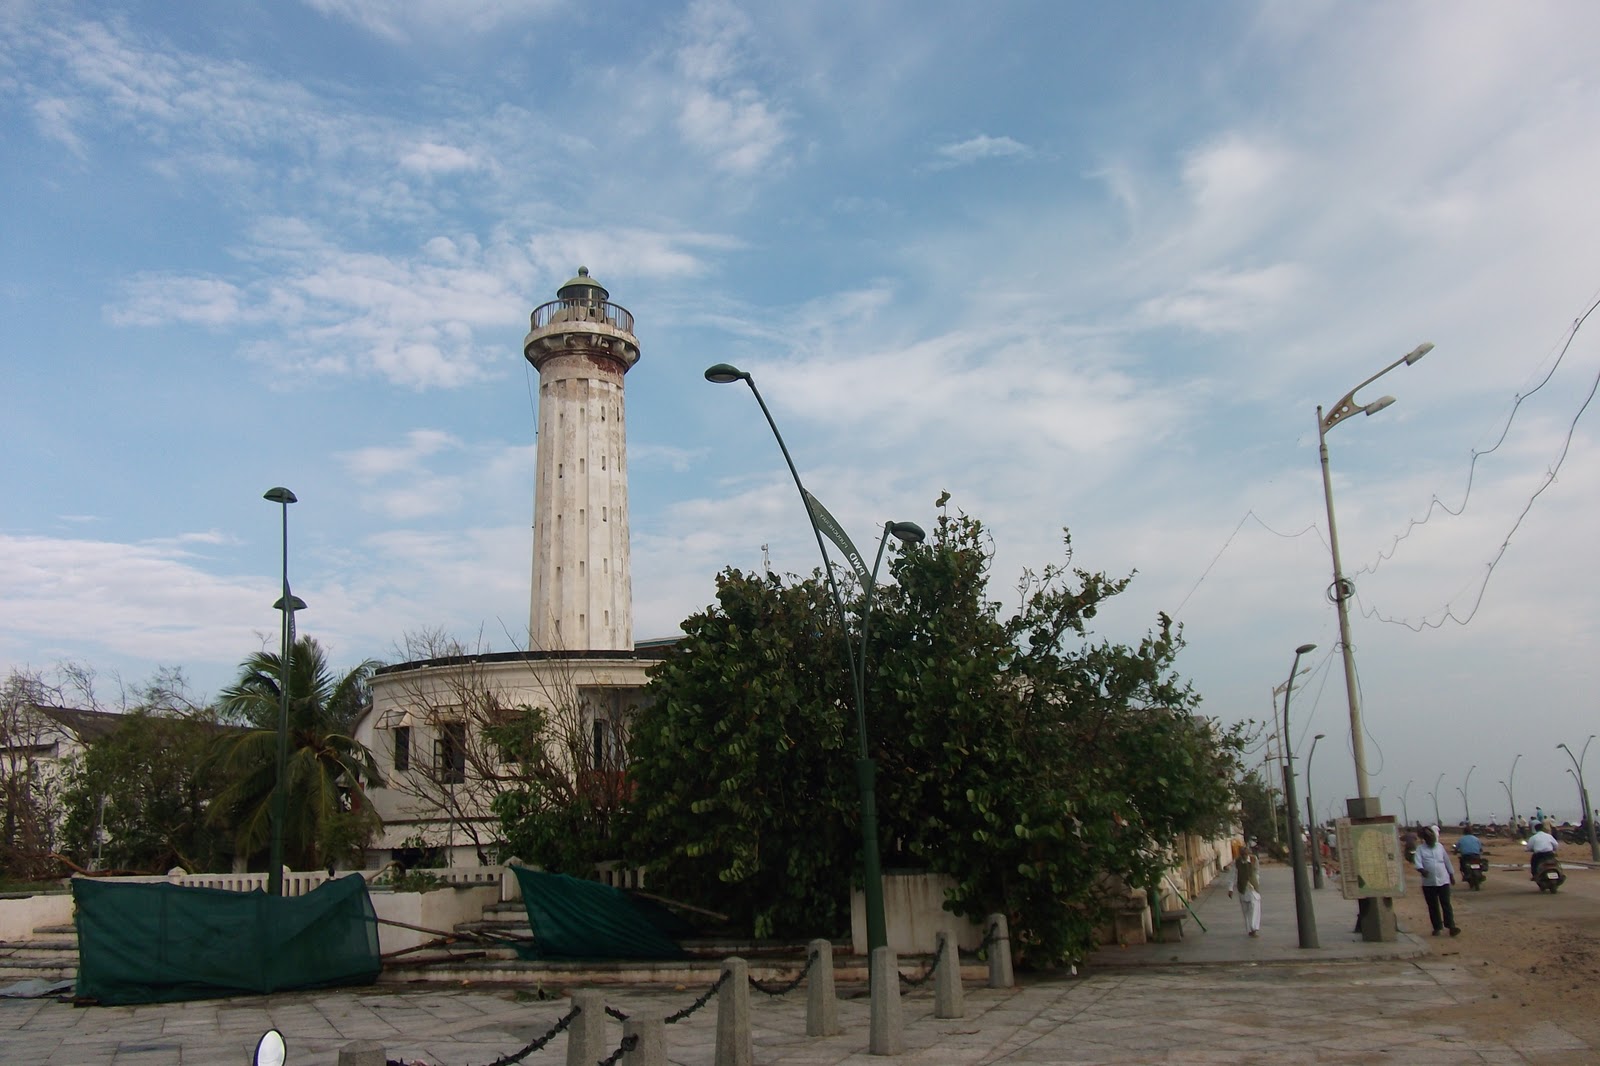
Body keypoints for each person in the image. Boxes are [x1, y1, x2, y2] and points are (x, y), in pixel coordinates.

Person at [1414, 826, 1460, 937]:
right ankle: (1437, 927)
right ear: (1425, 839)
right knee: (1433, 906)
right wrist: (1422, 870)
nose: (1431, 840)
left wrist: (1451, 875)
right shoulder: (1420, 849)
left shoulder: (1440, 847)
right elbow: (1418, 863)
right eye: (1429, 838)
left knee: (1446, 904)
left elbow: (1447, 861)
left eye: (1432, 838)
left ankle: (1451, 926)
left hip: (1443, 880)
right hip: (1429, 883)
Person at [1228, 845, 1261, 937]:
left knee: (1254, 907)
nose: (1245, 856)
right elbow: (1232, 875)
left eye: (1246, 854)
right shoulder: (1237, 862)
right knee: (1246, 910)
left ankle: (1254, 928)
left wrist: (1256, 881)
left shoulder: (1254, 859)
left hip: (1253, 887)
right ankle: (1250, 929)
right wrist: (1230, 888)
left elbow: (1257, 870)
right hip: (1242, 888)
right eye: (1243, 854)